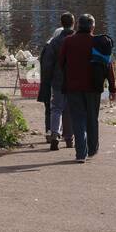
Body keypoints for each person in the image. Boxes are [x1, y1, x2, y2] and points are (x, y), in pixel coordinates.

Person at [58, 13, 116, 163]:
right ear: (93, 27)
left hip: (73, 87)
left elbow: (60, 63)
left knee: (78, 119)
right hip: (94, 87)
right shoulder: (99, 42)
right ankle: (91, 149)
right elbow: (108, 66)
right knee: (92, 118)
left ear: (78, 26)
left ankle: (80, 154)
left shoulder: (68, 41)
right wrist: (112, 88)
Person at [37, 11, 75, 151]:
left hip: (58, 81)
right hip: (73, 80)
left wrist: (48, 80)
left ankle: (54, 134)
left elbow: (47, 64)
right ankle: (69, 138)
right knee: (69, 110)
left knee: (56, 108)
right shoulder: (76, 39)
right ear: (73, 23)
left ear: (61, 23)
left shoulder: (54, 42)